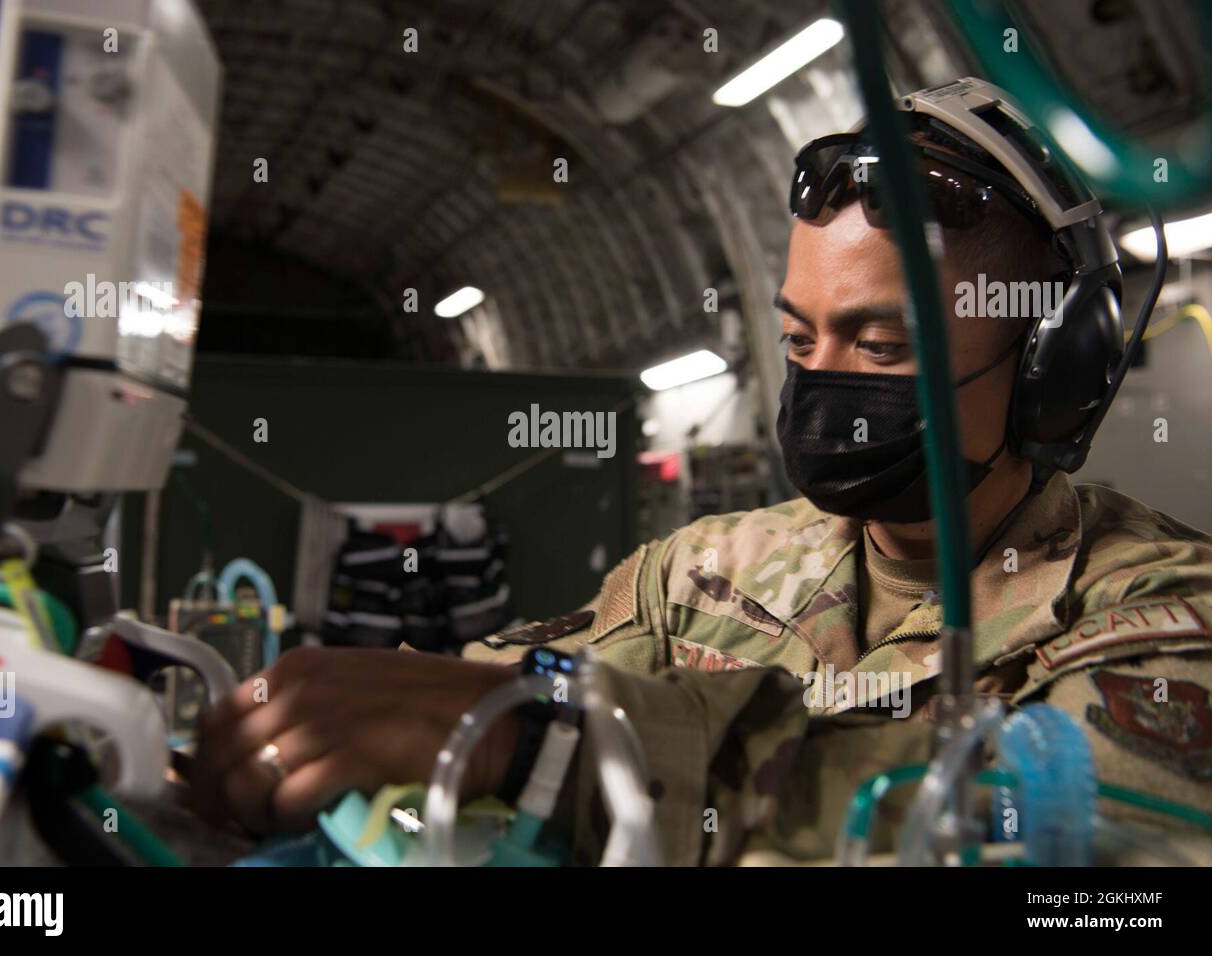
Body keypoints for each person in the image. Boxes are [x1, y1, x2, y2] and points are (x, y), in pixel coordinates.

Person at [190, 79, 1212, 865]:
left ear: (1054, 369)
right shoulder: (704, 569)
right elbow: (488, 687)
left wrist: (558, 749)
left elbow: (1071, 839)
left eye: (882, 345)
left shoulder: (1163, 612)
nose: (822, 384)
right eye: (800, 339)